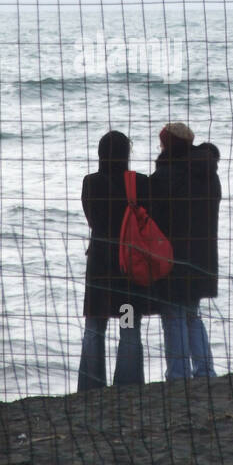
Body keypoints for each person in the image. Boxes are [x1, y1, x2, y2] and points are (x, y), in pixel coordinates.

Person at [147, 121, 221, 380]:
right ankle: (205, 370)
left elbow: (154, 219)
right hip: (203, 256)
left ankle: (178, 374)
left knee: (173, 315)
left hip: (172, 256)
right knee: (192, 314)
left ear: (168, 145)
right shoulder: (209, 173)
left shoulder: (165, 176)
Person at [78, 130, 152, 390]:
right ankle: (128, 385)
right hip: (128, 266)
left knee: (95, 326)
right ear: (125, 154)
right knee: (128, 326)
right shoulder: (139, 182)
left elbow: (91, 218)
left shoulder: (90, 182)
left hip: (98, 263)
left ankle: (90, 385)